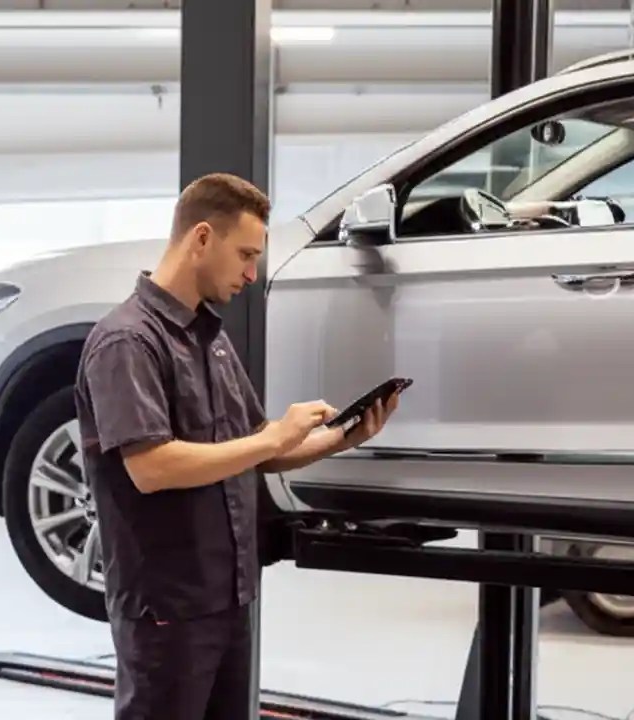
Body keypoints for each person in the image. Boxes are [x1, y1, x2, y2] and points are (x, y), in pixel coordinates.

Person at [73, 172, 400, 720]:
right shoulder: (127, 341)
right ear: (201, 238)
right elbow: (151, 467)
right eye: (246, 255)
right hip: (167, 607)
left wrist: (339, 439)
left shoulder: (212, 339)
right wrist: (271, 436)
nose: (252, 273)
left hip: (229, 597)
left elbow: (255, 450)